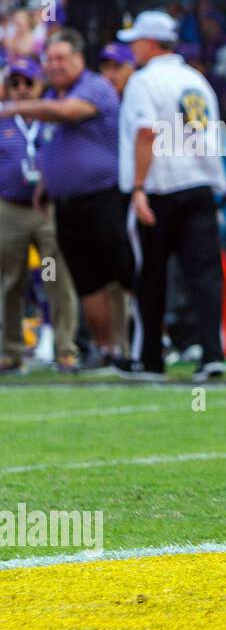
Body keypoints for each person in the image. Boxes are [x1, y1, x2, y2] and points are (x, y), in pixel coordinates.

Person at [3, 30, 132, 365]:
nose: (20, 91)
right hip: (44, 207)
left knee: (111, 274)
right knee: (87, 279)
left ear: (78, 59)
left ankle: (131, 347)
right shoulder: (45, 108)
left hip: (102, 198)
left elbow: (67, 113)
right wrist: (47, 181)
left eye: (62, 58)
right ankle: (102, 351)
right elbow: (57, 146)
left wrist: (10, 107)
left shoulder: (91, 87)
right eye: (51, 59)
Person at [115, 10, 226, 382]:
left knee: (150, 274)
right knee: (204, 276)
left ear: (149, 42)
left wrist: (138, 189)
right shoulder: (195, 79)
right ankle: (212, 353)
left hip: (160, 187)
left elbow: (145, 134)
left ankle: (149, 359)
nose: (132, 47)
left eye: (135, 41)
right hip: (199, 185)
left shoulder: (143, 81)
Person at [0, 59, 78, 373]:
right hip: (10, 209)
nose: (21, 90)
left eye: (27, 83)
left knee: (56, 278)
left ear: (40, 86)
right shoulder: (3, 119)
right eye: (15, 84)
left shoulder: (52, 118)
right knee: (10, 281)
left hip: (48, 210)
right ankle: (10, 351)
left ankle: (65, 349)